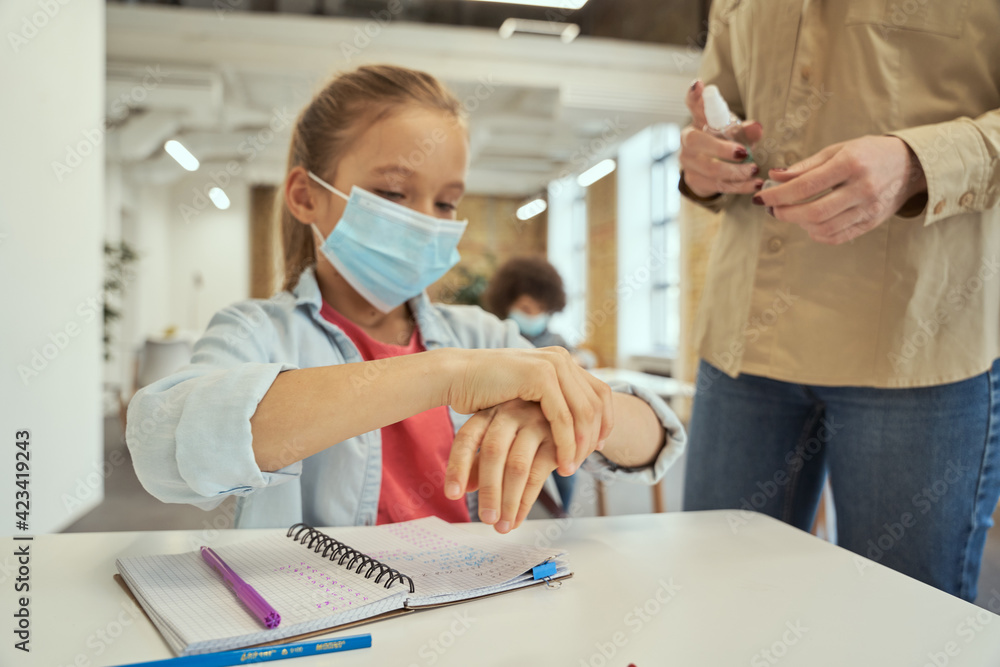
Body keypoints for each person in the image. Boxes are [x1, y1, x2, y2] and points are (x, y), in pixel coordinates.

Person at [126, 65, 685, 534]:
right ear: (306, 197)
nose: (423, 222)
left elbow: (657, 438)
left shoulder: (479, 336)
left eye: (445, 203)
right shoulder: (257, 331)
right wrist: (441, 375)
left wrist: (575, 408)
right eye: (393, 192)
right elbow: (165, 445)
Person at [678, 0, 1000, 602]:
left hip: (919, 344)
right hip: (742, 344)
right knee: (719, 606)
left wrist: (917, 162)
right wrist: (703, 166)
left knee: (902, 625)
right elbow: (723, 116)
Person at [484, 255, 591, 508]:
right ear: (507, 303)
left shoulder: (555, 339)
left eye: (541, 310)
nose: (535, 316)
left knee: (565, 467)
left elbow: (584, 358)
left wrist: (577, 361)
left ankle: (560, 513)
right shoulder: (492, 336)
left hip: (552, 426)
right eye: (526, 308)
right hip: (503, 423)